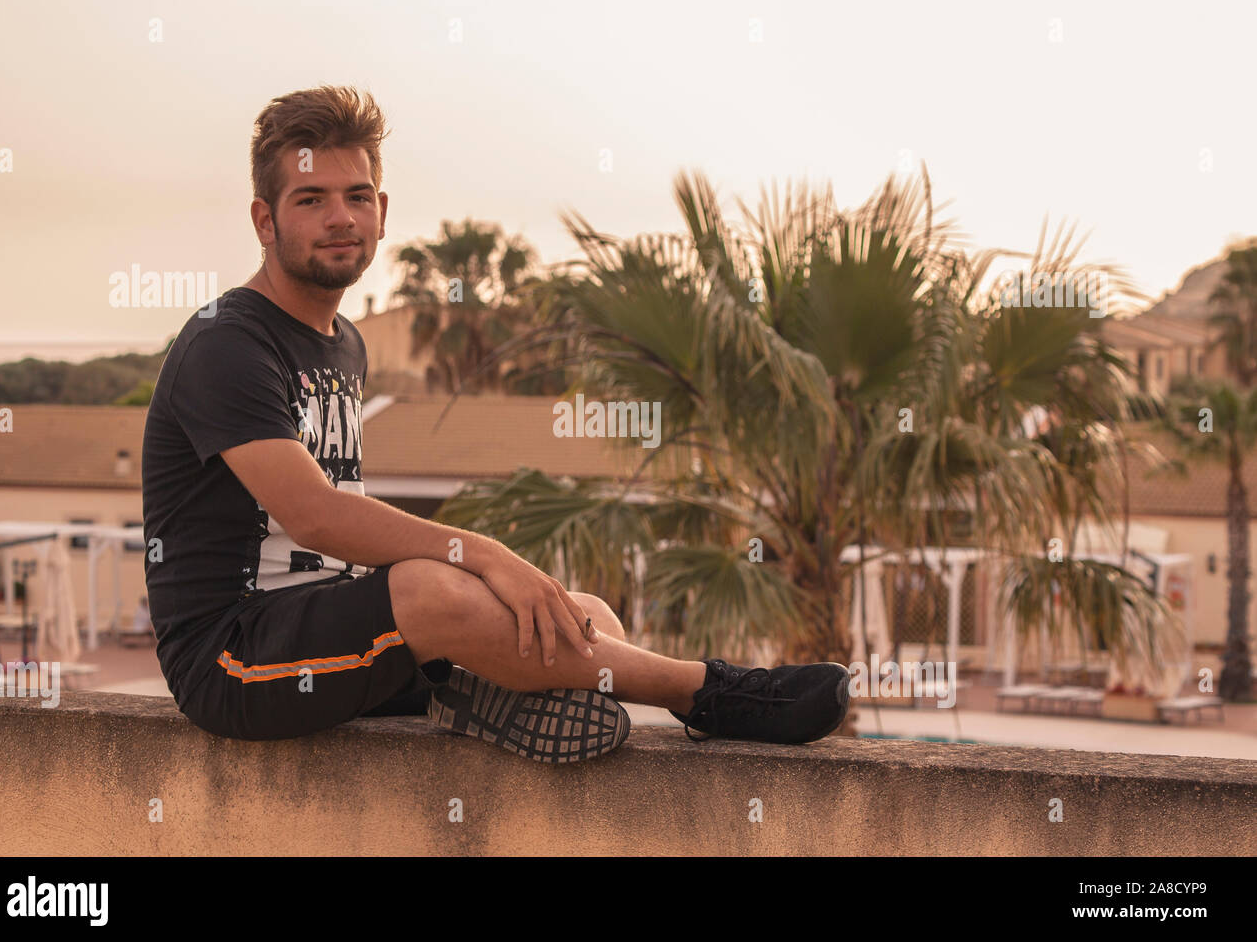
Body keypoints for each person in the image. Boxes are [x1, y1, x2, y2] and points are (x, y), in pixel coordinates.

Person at [140, 85, 849, 763]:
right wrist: (486, 556)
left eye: (357, 197)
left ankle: (476, 699)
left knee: (587, 614)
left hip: (336, 637)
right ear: (265, 221)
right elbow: (315, 517)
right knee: (431, 588)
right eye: (311, 200)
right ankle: (709, 693)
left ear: (381, 212)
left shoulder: (344, 344)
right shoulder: (226, 344)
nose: (340, 218)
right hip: (233, 658)